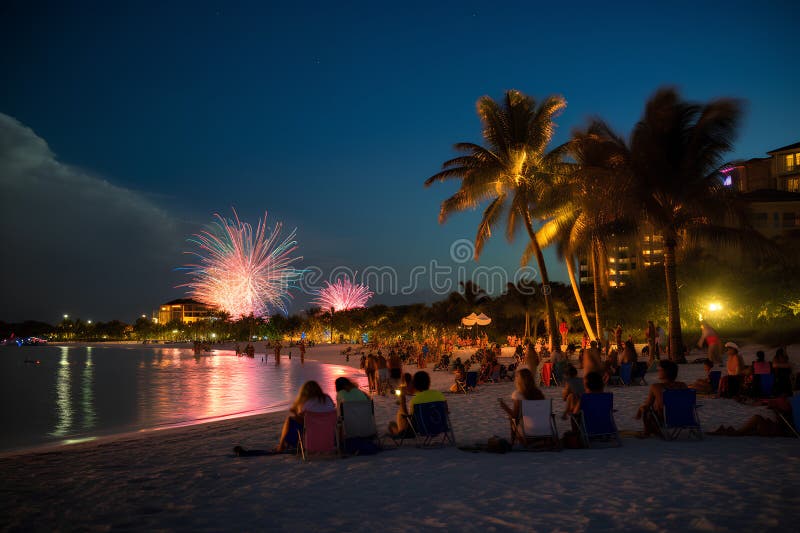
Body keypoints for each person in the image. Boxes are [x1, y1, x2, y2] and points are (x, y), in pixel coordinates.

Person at [273, 381, 335, 452]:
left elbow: (301, 416)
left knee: (290, 420)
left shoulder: (307, 403)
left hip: (312, 432)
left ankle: (281, 446)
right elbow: (332, 408)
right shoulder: (327, 398)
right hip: (329, 432)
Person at [635, 360, 687, 437]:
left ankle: (646, 432)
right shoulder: (683, 385)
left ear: (666, 372)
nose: (658, 372)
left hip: (666, 419)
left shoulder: (656, 387)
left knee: (647, 410)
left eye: (660, 370)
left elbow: (648, 405)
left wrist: (640, 409)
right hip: (684, 418)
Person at [387, 371, 446, 435]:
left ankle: (397, 431)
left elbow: (412, 420)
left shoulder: (415, 401)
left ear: (415, 384)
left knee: (393, 423)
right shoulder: (440, 395)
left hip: (423, 429)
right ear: (428, 383)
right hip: (440, 427)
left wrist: (402, 399)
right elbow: (446, 411)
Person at [498, 368, 545, 441]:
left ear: (521, 380)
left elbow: (515, 415)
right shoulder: (539, 394)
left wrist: (504, 406)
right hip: (543, 429)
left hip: (527, 430)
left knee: (511, 418)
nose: (515, 378)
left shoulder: (518, 395)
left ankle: (513, 441)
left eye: (517, 376)